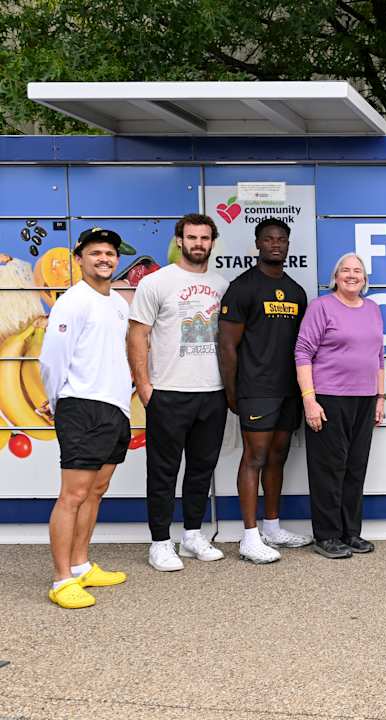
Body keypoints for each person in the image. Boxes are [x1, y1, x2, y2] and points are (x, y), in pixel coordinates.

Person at [127, 213, 229, 571]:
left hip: (212, 393)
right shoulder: (156, 283)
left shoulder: (222, 284)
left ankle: (192, 535)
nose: (198, 244)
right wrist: (144, 386)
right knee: (162, 472)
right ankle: (159, 541)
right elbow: (137, 335)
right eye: (191, 237)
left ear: (212, 242)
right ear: (179, 240)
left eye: (204, 238)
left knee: (202, 469)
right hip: (168, 392)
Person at [38, 227, 132, 608]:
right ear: (79, 259)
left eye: (110, 253)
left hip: (114, 407)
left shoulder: (119, 305)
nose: (104, 259)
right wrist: (57, 401)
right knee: (73, 494)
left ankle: (80, 566)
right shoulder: (72, 302)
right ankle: (61, 580)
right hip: (81, 405)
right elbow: (51, 360)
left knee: (96, 490)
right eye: (95, 253)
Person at [218, 218, 311, 563]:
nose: (276, 244)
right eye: (269, 239)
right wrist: (232, 392)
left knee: (277, 457)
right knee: (254, 458)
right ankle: (249, 536)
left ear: (288, 245)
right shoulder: (242, 288)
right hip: (255, 389)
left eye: (281, 239)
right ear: (257, 245)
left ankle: (272, 527)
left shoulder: (296, 291)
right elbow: (227, 346)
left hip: (288, 390)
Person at [295, 253, 385, 559]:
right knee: (328, 469)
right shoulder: (321, 307)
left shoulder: (372, 309)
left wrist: (380, 397)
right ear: (335, 277)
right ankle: (327, 535)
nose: (351, 275)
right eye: (345, 270)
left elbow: (379, 357)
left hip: (364, 398)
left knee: (355, 467)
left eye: (357, 271)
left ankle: (351, 532)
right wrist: (309, 399)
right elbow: (303, 353)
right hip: (329, 398)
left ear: (364, 279)